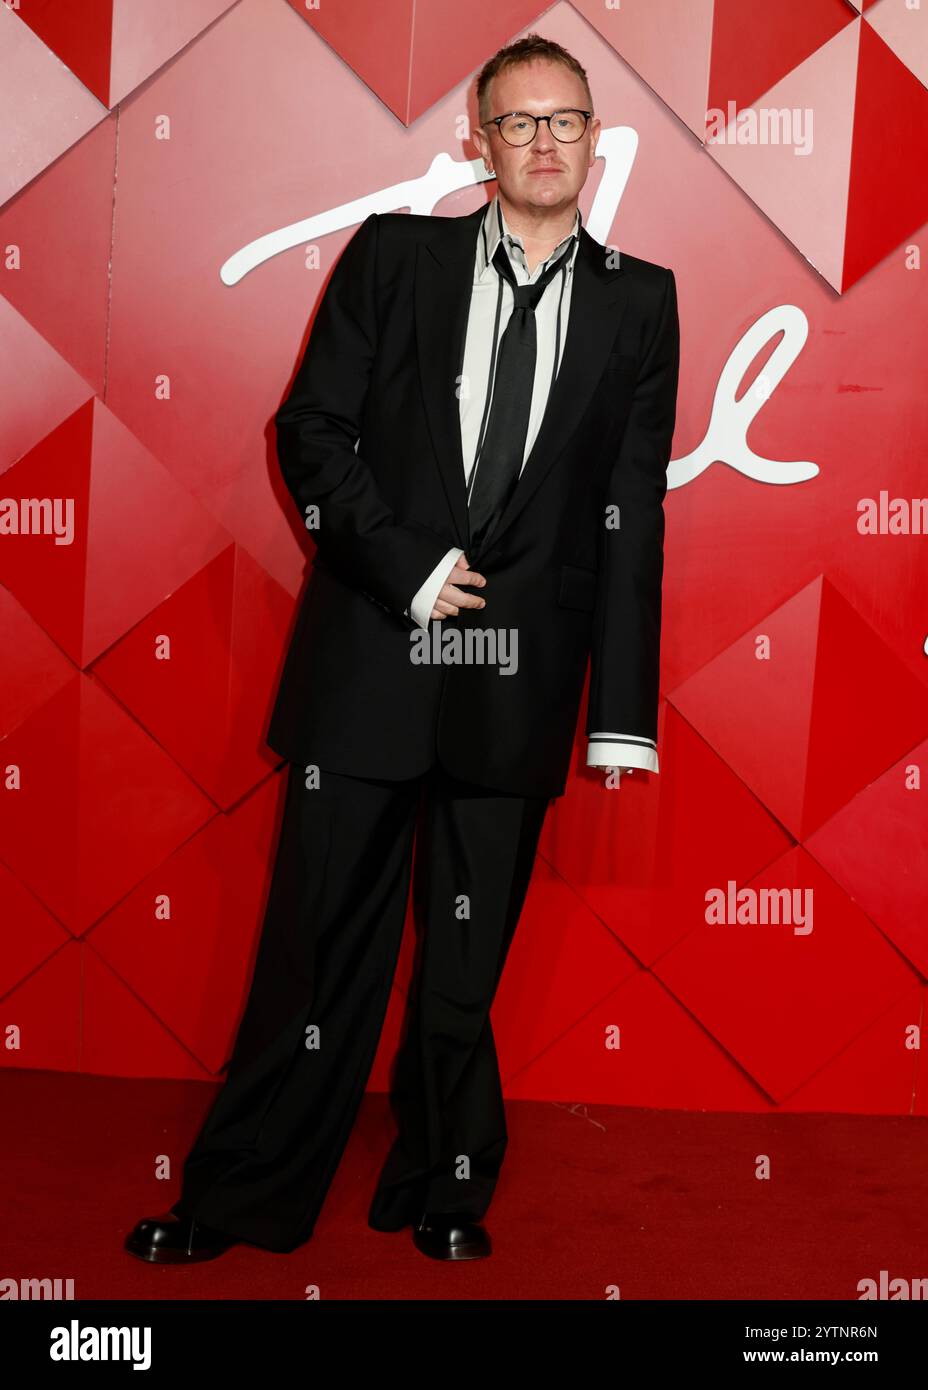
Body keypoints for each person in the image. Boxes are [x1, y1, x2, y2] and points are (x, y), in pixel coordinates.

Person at [125, 31, 680, 1265]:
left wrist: (623, 714)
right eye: (519, 121)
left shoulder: (643, 299)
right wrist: (408, 566)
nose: (544, 142)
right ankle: (238, 1194)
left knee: (462, 968)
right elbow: (311, 429)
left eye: (566, 121)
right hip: (374, 655)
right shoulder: (397, 257)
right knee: (314, 945)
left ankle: (444, 1185)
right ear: (475, 142)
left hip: (520, 684)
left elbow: (631, 513)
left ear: (593, 140)